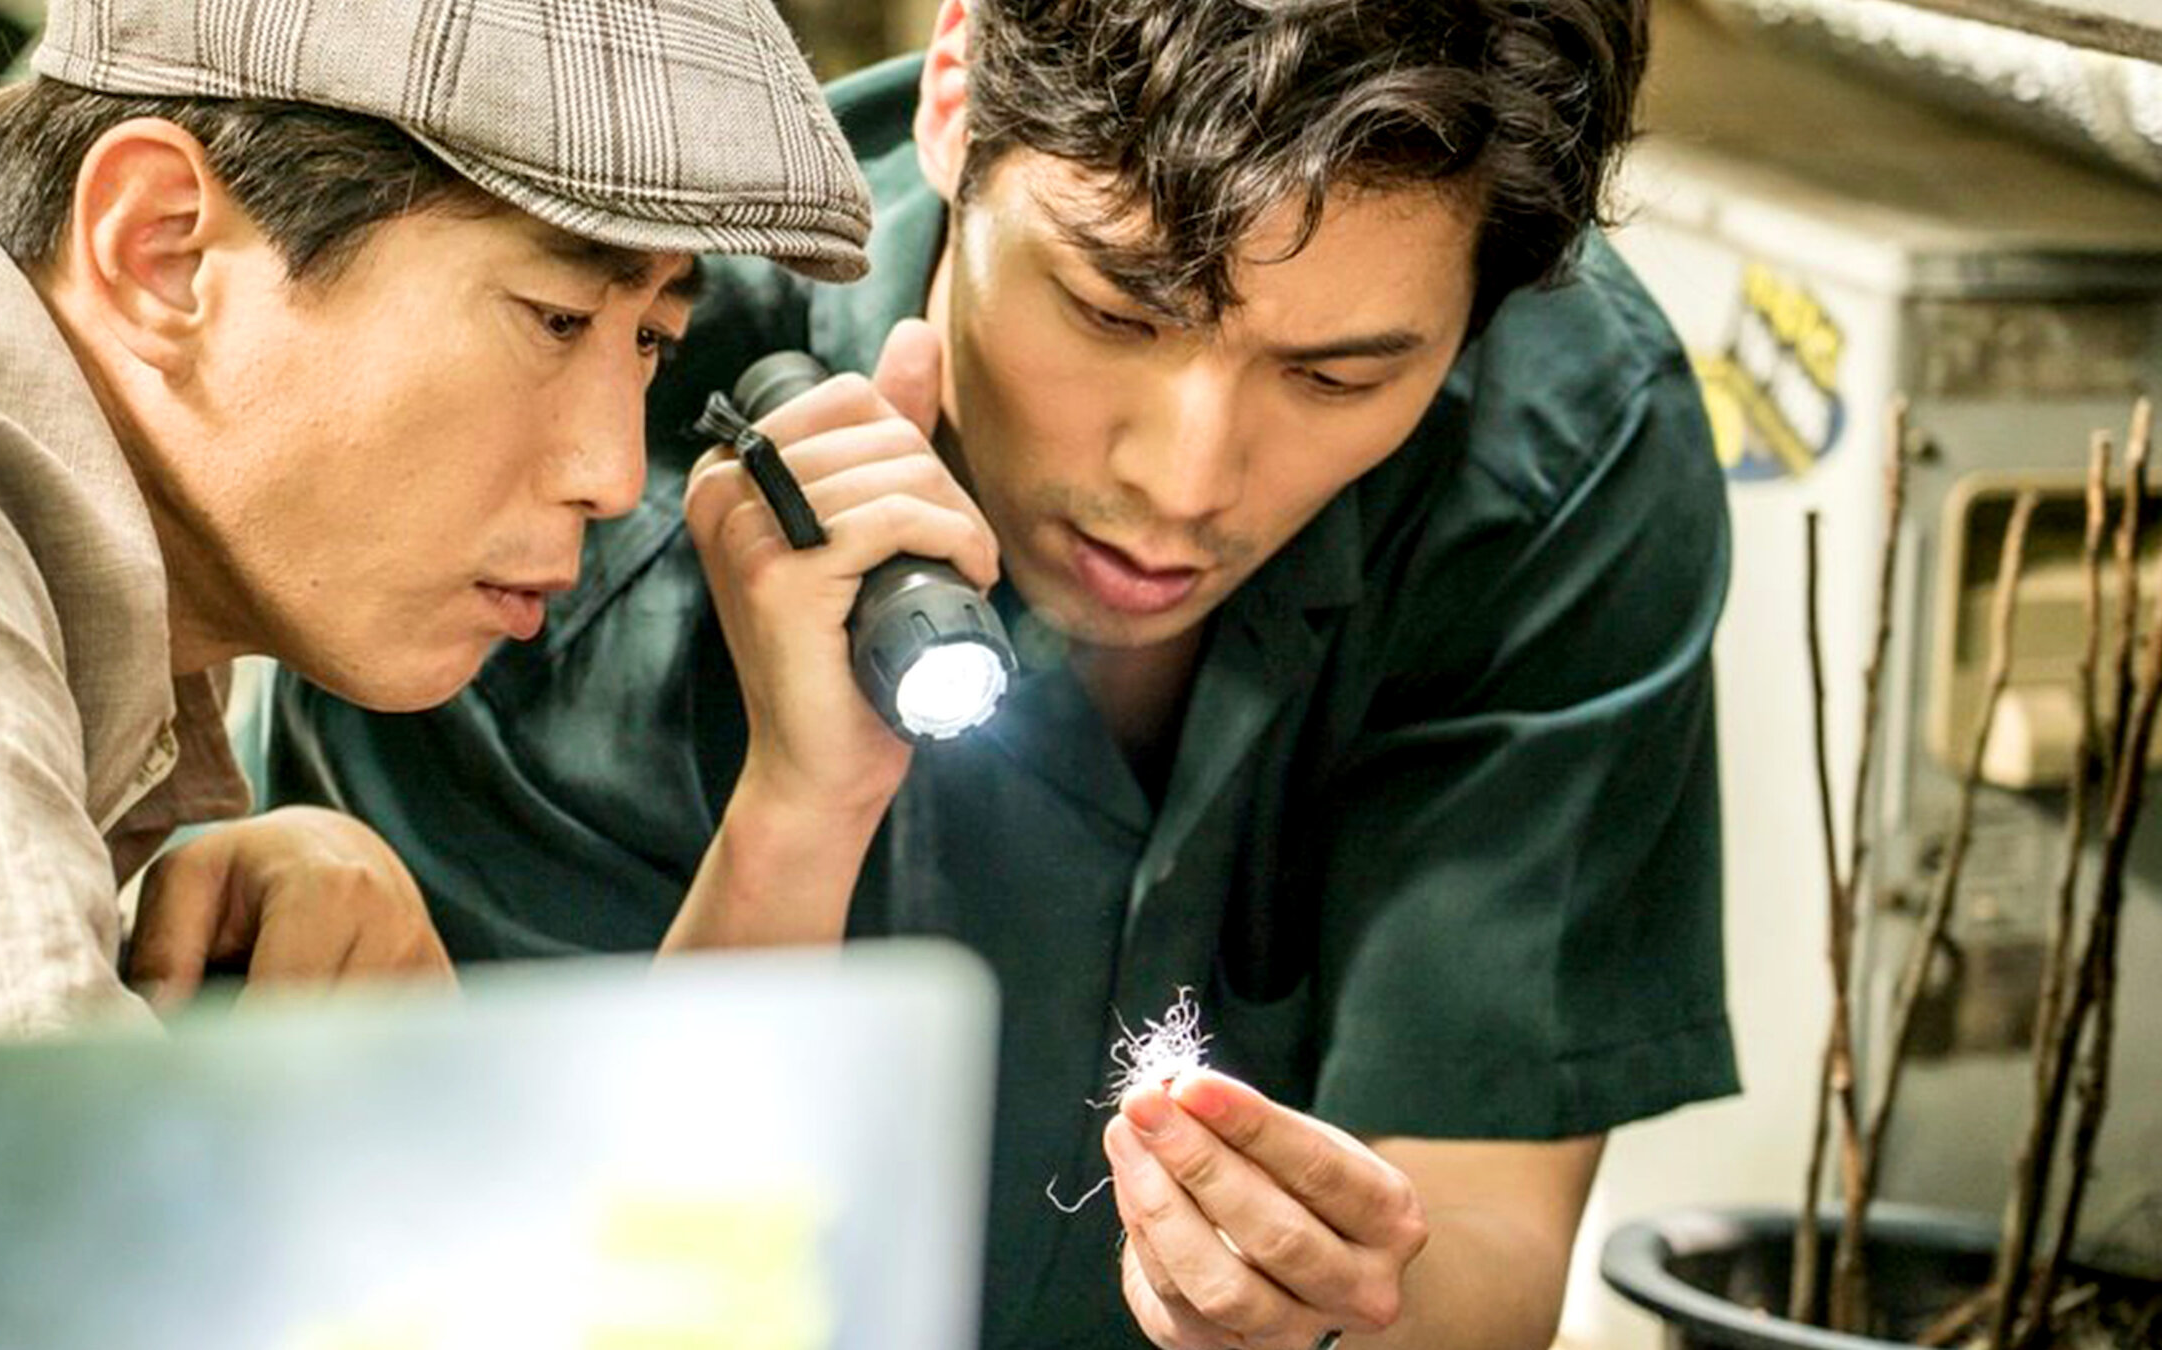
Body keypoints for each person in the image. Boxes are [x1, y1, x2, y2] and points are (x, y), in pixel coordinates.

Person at [274, 1, 1737, 1346]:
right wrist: (797, 822)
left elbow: (1480, 1231)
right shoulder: (561, 455)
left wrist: (1320, 1310)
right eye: (1117, 311)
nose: (1183, 480)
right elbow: (522, 1293)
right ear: (955, 93)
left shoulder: (1558, 449)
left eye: (1336, 378)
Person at [0, 0, 872, 1040]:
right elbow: (14, 1182)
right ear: (163, 251)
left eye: (649, 341)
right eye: (556, 319)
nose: (614, 476)